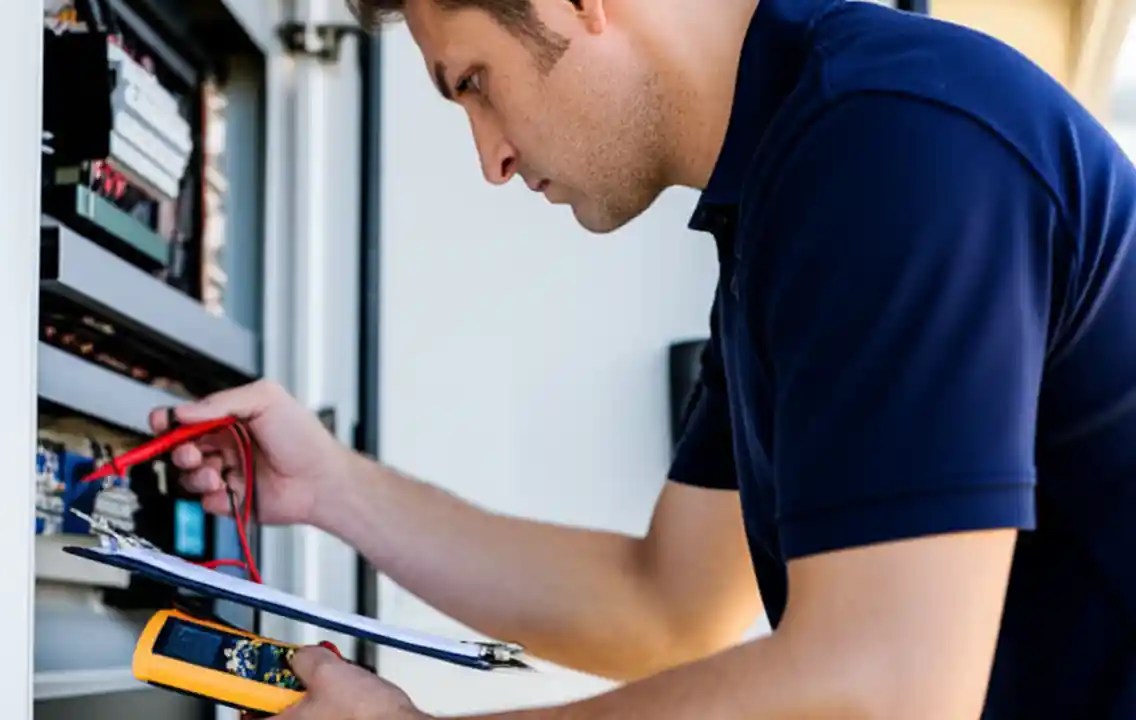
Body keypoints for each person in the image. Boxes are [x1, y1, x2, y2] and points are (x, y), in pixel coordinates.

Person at [152, 0, 1136, 717]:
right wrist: (333, 489)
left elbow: (885, 688)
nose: (490, 158)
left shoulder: (892, 142)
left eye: (473, 83)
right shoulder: (785, 195)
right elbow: (665, 607)